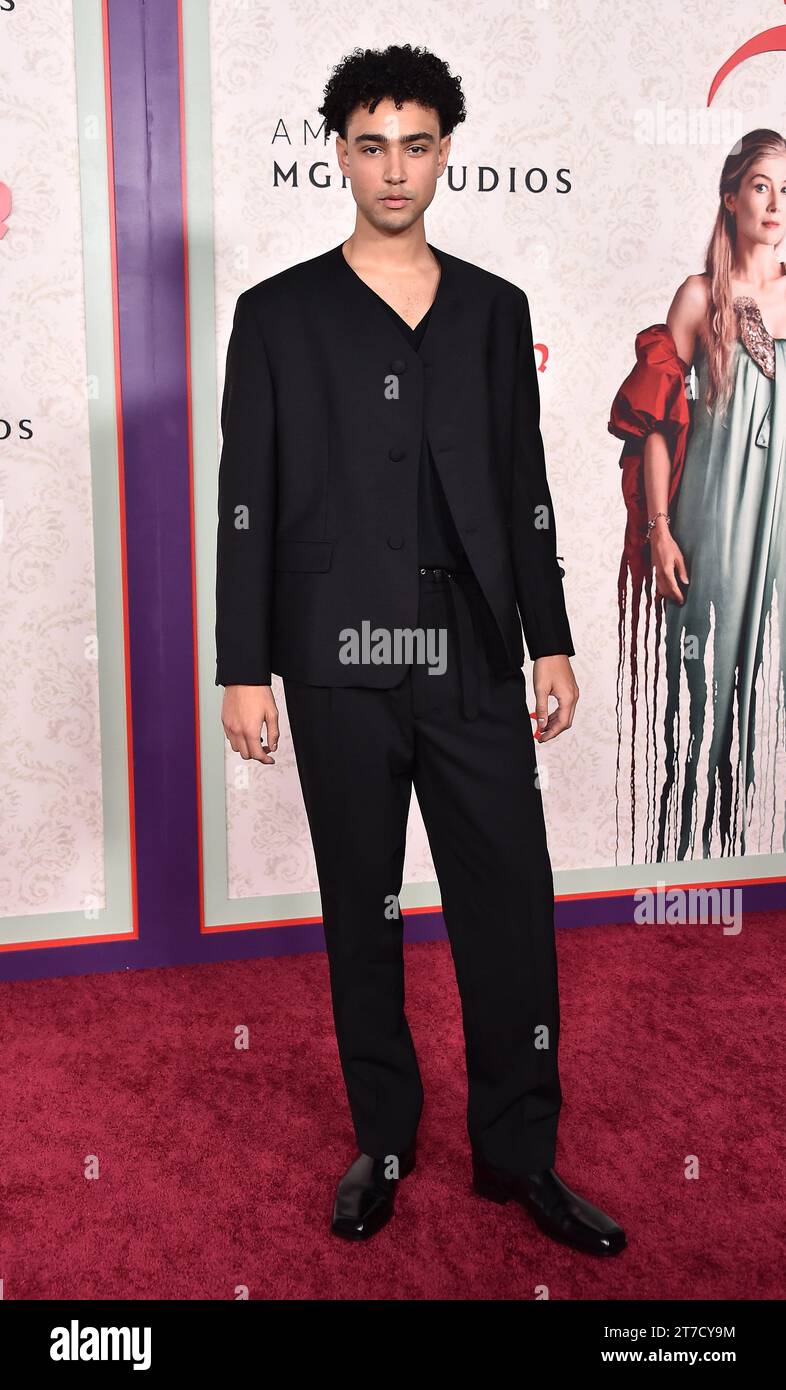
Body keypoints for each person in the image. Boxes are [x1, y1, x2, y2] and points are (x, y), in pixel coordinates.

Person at [216, 43, 625, 1256]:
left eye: (418, 142)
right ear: (337, 152)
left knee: (510, 902)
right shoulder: (277, 315)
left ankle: (520, 1155)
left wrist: (547, 640)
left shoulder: (496, 311)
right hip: (335, 658)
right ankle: (382, 1143)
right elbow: (249, 494)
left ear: (448, 151)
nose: (394, 167)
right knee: (365, 905)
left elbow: (523, 486)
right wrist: (244, 664)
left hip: (470, 652)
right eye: (370, 142)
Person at [609, 129, 786, 863]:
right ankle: (688, 859)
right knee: (704, 684)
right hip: (708, 520)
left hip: (780, 522)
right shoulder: (699, 296)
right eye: (763, 186)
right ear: (731, 193)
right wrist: (659, 529)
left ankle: (764, 859)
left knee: (772, 682)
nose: (776, 205)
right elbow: (652, 426)